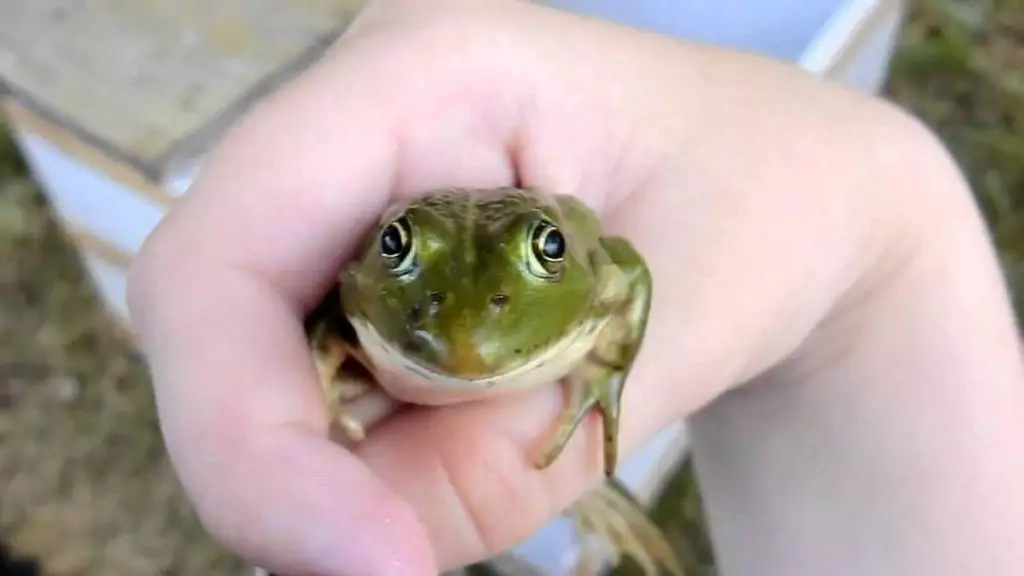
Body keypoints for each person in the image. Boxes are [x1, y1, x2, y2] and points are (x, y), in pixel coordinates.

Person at [125, 1, 1024, 574]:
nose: (474, 318)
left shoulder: (607, 272)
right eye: (398, 247)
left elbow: (626, 269)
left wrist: (609, 366)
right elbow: (334, 316)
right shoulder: (355, 306)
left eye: (546, 250)